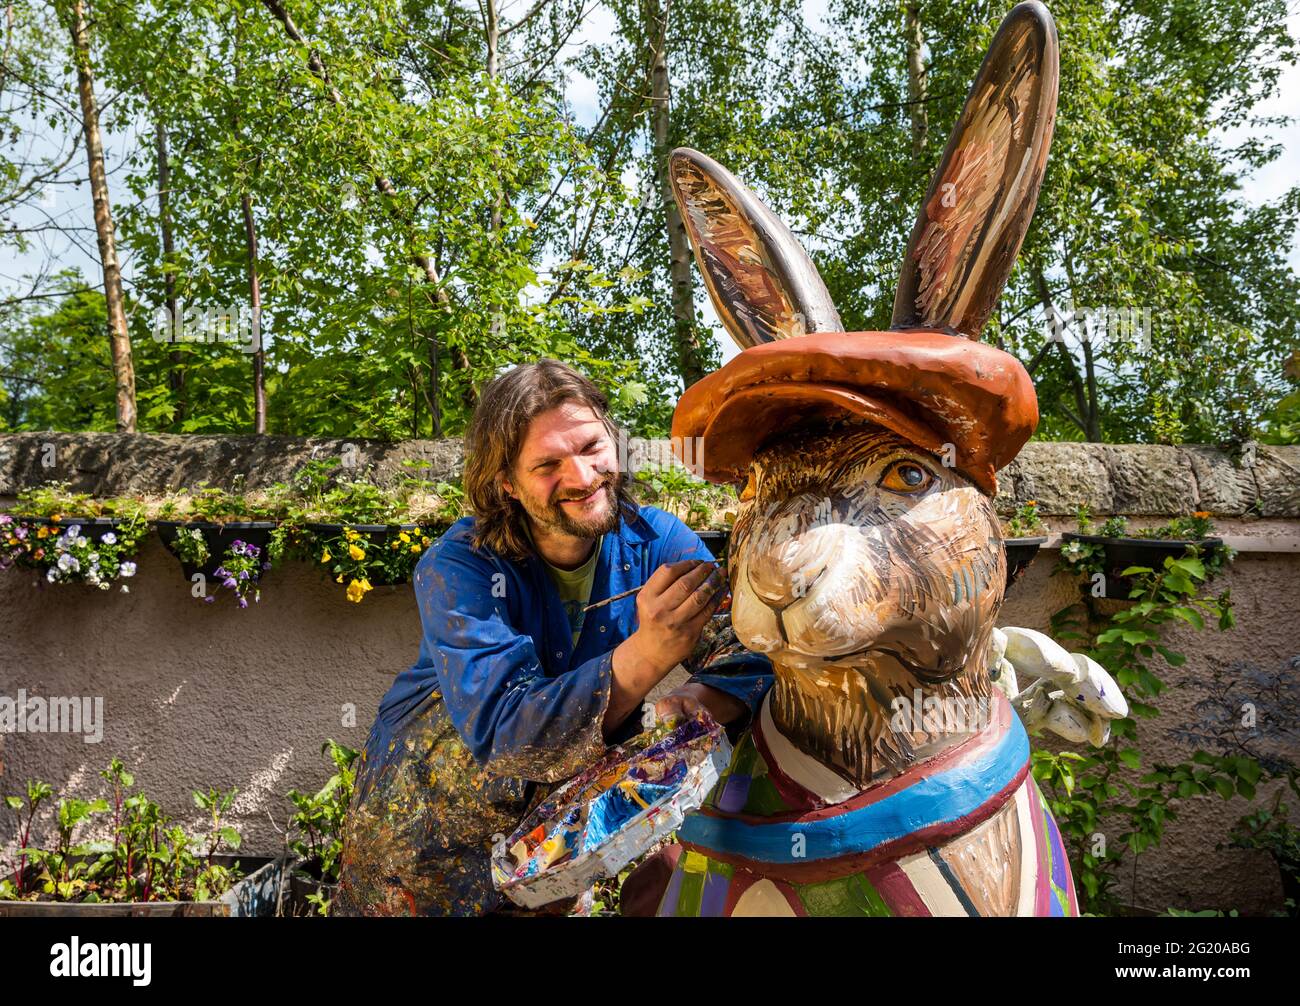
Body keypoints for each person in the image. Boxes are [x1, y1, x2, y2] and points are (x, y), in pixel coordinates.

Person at [334, 359, 773, 916]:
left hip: (553, 852)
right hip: (421, 847)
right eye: (548, 464)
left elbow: (756, 645)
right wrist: (647, 654)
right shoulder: (460, 569)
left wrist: (699, 701)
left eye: (592, 447)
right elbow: (508, 733)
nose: (583, 477)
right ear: (507, 485)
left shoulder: (658, 543)